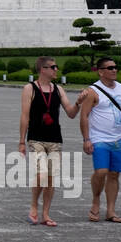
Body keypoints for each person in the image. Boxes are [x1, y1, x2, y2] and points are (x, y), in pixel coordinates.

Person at [77, 57, 121, 223]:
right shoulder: (92, 91)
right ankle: (96, 199)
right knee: (101, 171)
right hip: (99, 137)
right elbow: (84, 116)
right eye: (110, 68)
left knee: (114, 174)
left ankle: (111, 211)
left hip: (119, 138)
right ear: (101, 71)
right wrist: (86, 139)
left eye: (115, 67)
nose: (114, 70)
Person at [21, 57, 79, 226]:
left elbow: (71, 112)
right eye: (53, 67)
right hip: (36, 137)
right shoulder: (29, 89)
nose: (56, 69)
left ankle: (46, 214)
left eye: (56, 66)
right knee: (42, 174)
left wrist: (78, 103)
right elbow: (24, 116)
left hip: (54, 138)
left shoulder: (58, 89)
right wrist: (21, 141)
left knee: (51, 178)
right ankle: (33, 206)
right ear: (42, 69)